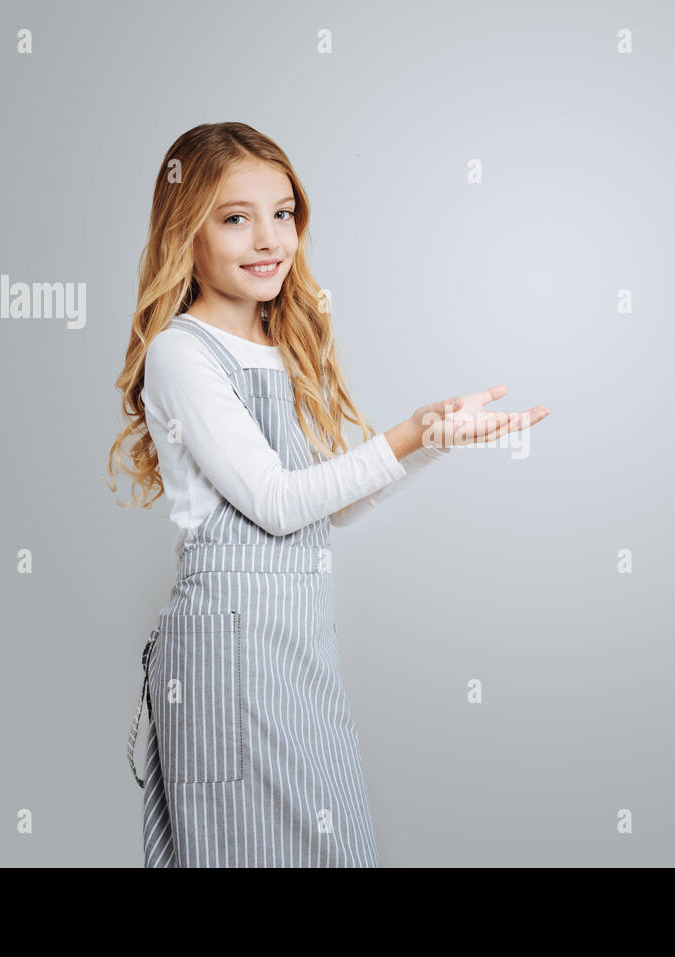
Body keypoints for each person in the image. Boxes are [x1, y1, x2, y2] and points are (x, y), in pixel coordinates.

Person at [106, 122, 550, 867]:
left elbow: (327, 505)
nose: (268, 238)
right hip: (229, 656)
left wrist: (433, 440)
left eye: (283, 213)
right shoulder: (182, 352)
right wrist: (407, 432)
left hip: (295, 647)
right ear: (188, 230)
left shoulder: (283, 348)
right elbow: (278, 503)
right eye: (235, 217)